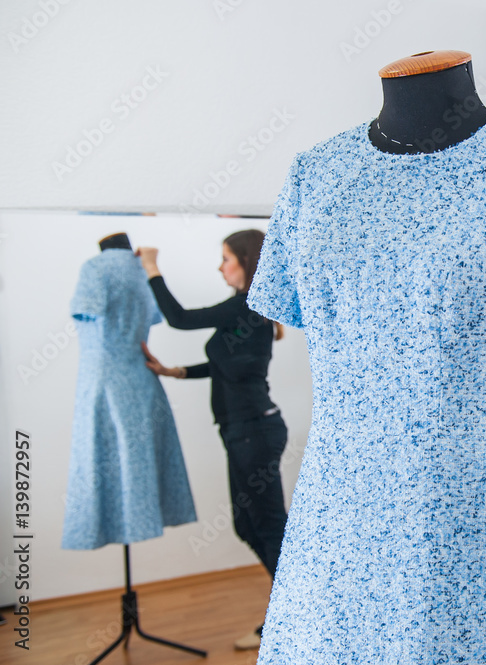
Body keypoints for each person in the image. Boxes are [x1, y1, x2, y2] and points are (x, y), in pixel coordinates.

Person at [136, 229, 288, 651]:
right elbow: (227, 365)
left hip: (254, 432)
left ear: (245, 261)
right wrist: (177, 372)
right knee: (248, 525)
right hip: (242, 431)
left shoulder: (245, 306)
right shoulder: (247, 314)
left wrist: (151, 266)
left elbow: (180, 319)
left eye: (225, 258)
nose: (220, 266)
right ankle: (289, 609)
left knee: (270, 527)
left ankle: (292, 613)